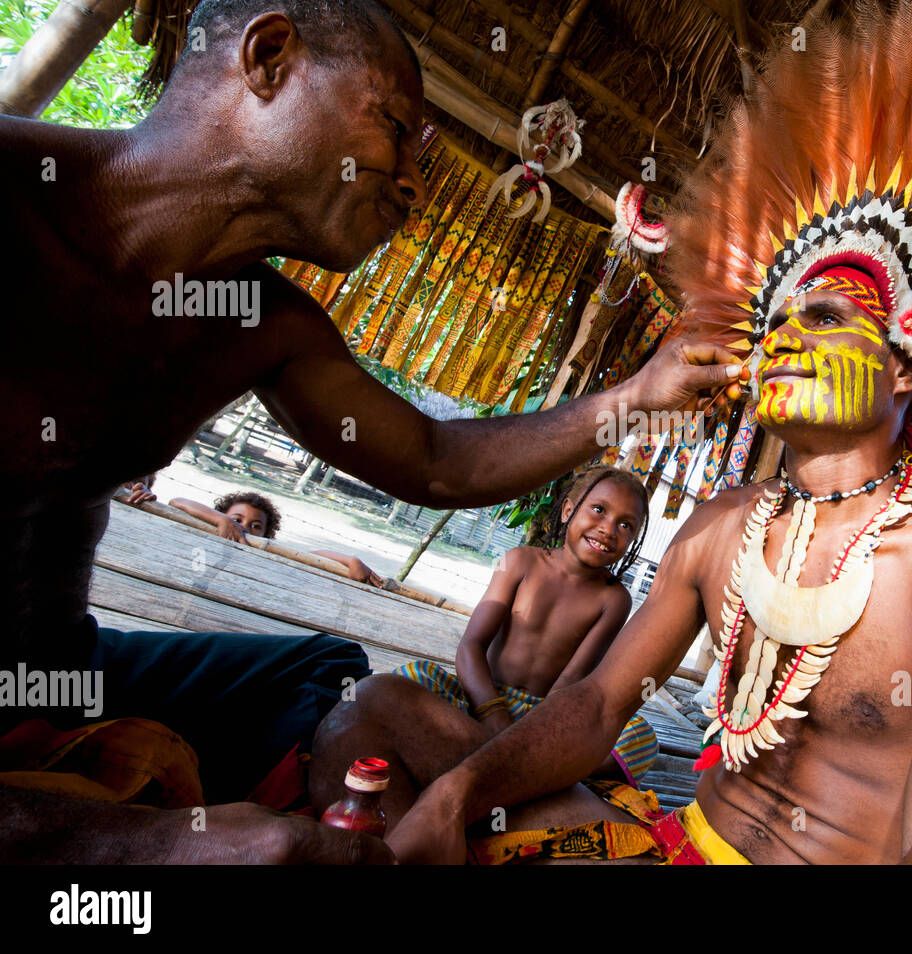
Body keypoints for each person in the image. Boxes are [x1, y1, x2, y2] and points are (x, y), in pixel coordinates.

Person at [330, 0, 912, 864]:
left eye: (827, 316)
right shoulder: (720, 527)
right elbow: (601, 706)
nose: (786, 337)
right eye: (776, 322)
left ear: (907, 365)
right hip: (676, 843)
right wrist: (461, 795)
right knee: (372, 713)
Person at [0, 0, 743, 863]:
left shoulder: (255, 323)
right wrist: (141, 848)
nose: (415, 181)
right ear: (269, 56)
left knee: (326, 677)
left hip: (63, 673)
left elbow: (437, 461)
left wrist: (644, 391)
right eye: (395, 126)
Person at [314, 467, 658, 811]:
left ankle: (534, 766)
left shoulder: (614, 600)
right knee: (410, 676)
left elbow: (571, 682)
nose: (608, 529)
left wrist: (537, 735)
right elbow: (471, 646)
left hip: (543, 714)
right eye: (598, 510)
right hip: (477, 696)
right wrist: (492, 714)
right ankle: (531, 774)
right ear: (568, 510)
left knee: (641, 738)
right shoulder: (521, 561)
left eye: (626, 525)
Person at [170, 490, 384, 585]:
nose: (243, 528)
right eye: (237, 519)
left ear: (265, 533)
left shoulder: (261, 552)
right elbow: (177, 501)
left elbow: (308, 556)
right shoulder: (210, 531)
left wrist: (350, 560)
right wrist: (221, 521)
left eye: (255, 526)